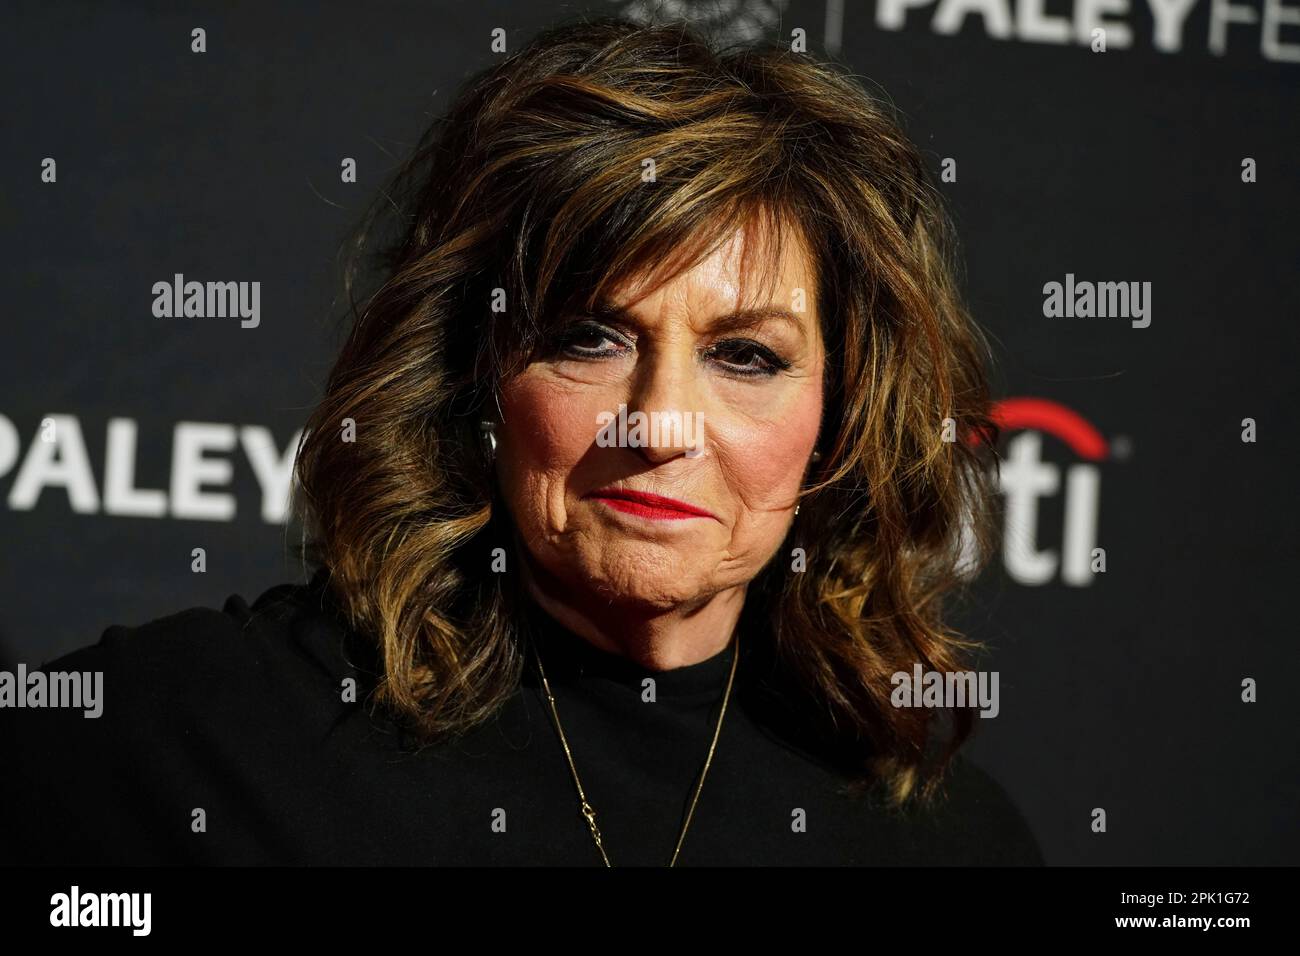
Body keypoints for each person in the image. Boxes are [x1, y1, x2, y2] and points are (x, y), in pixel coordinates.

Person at [0, 16, 1041, 866]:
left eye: (746, 357)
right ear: (476, 375)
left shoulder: (950, 842)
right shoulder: (196, 742)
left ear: (842, 415)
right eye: (587, 337)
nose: (659, 422)